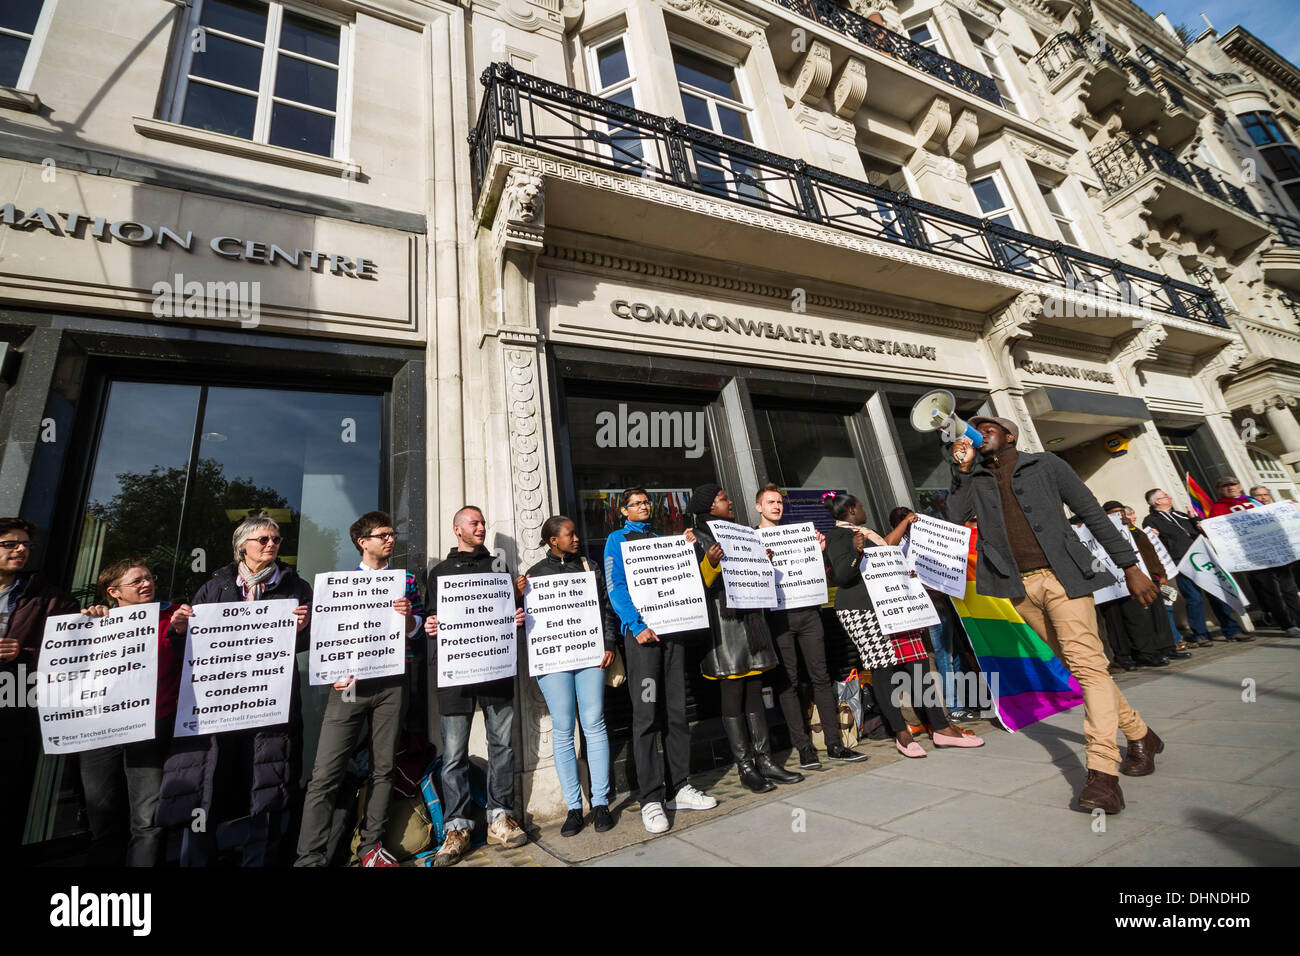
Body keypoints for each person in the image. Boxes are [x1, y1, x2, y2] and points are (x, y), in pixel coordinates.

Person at [948, 417, 1162, 813]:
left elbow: (1093, 514)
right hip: (1019, 588)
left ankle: (1102, 774)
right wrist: (961, 469)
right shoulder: (974, 476)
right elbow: (954, 518)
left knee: (1088, 667)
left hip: (1064, 578)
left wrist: (1131, 566)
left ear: (1009, 435)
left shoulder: (1046, 464)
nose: (977, 431)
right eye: (972, 428)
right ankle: (1140, 734)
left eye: (986, 426)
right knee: (1078, 668)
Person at [157, 513, 313, 867]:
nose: (272, 544)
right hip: (219, 709)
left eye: (276, 539)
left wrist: (304, 628)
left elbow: (314, 641)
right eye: (263, 539)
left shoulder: (296, 587)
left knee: (268, 785)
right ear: (242, 546)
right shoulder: (215, 587)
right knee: (208, 785)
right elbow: (193, 647)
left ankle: (259, 861)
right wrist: (179, 630)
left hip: (270, 705)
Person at [296, 511, 423, 868]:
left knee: (383, 768)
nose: (390, 539)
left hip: (391, 684)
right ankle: (310, 857)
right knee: (325, 773)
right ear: (362, 542)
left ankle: (371, 847)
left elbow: (417, 632)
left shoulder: (406, 581)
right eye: (382, 534)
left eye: (391, 534)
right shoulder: (340, 584)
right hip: (349, 687)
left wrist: (409, 617)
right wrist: (331, 674)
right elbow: (325, 640)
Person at [823, 494, 983, 758]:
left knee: (918, 660)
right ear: (851, 510)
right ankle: (901, 733)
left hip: (892, 605)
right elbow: (843, 575)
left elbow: (886, 555)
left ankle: (941, 728)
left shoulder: (868, 533)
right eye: (860, 506)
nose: (864, 508)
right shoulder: (838, 537)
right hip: (862, 610)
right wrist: (855, 550)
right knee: (883, 668)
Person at [604, 487, 716, 835]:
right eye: (635, 504)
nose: (643, 507)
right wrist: (636, 625)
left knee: (677, 712)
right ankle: (650, 797)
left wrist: (688, 549)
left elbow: (687, 582)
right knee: (647, 716)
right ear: (623, 511)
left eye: (645, 502)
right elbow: (615, 587)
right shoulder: (616, 540)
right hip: (643, 642)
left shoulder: (663, 539)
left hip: (672, 637)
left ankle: (679, 787)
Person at [424, 506, 528, 866]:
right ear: (457, 530)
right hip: (456, 678)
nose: (481, 528)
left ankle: (500, 816)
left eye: (483, 523)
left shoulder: (499, 568)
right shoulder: (439, 573)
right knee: (454, 756)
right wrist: (430, 625)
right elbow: (428, 617)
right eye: (474, 523)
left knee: (502, 745)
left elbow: (507, 612)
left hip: (496, 672)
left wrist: (516, 613)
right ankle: (458, 827)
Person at [686, 483, 803, 794]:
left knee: (754, 688)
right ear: (710, 506)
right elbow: (696, 585)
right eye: (723, 499)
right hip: (724, 626)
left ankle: (764, 760)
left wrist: (760, 559)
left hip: (750, 622)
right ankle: (745, 766)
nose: (730, 502)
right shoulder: (695, 538)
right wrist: (710, 561)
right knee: (733, 689)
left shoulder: (740, 533)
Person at [77, 558, 192, 866]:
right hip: (101, 732)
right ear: (113, 591)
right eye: (137, 581)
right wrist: (85, 626)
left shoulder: (172, 616)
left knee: (147, 820)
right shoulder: (96, 622)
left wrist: (181, 632)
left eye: (149, 577)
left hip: (151, 729)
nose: (147, 583)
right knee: (103, 819)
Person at [754, 483, 866, 768]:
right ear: (759, 507)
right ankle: (804, 748)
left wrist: (820, 551)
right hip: (779, 617)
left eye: (779, 501)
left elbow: (828, 572)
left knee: (820, 676)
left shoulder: (801, 535)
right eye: (770, 502)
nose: (776, 506)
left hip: (809, 613)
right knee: (789, 682)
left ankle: (834, 745)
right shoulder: (752, 540)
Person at [525, 515, 618, 837]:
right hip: (554, 660)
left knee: (594, 723)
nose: (576, 538)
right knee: (564, 730)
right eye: (570, 534)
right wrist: (516, 595)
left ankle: (602, 801)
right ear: (553, 540)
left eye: (576, 533)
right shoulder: (534, 575)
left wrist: (609, 642)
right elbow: (526, 621)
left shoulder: (588, 567)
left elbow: (605, 607)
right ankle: (574, 808)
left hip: (590, 653)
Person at [0, 517, 80, 857]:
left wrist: (24, 652)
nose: (21, 550)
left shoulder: (45, 598)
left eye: (25, 545)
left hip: (12, 704)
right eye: (10, 544)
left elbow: (70, 649)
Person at [1142, 488, 1247, 645]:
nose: (1169, 496)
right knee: (1194, 599)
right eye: (1165, 495)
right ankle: (1200, 634)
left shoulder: (1183, 515)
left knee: (1216, 593)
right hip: (1181, 561)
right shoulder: (1151, 520)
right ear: (1158, 501)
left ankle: (1232, 630)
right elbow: (1153, 542)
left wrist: (1195, 519)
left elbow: (1202, 532)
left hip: (1202, 558)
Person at [1210, 476, 1300, 636]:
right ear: (1220, 490)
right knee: (1272, 593)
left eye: (1233, 484)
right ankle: (1287, 624)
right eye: (1225, 486)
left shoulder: (1254, 501)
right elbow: (1215, 532)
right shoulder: (1218, 507)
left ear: (1240, 486)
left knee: (1289, 589)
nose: (1230, 488)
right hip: (1254, 558)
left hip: (1278, 552)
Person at [1103, 501, 1186, 663]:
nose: (1119, 515)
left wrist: (1161, 574)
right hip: (1131, 582)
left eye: (1121, 511)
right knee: (1140, 619)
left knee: (1159, 617)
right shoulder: (1108, 532)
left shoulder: (1134, 530)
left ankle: (1167, 647)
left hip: (1151, 578)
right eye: (1114, 512)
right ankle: (1148, 653)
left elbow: (1150, 551)